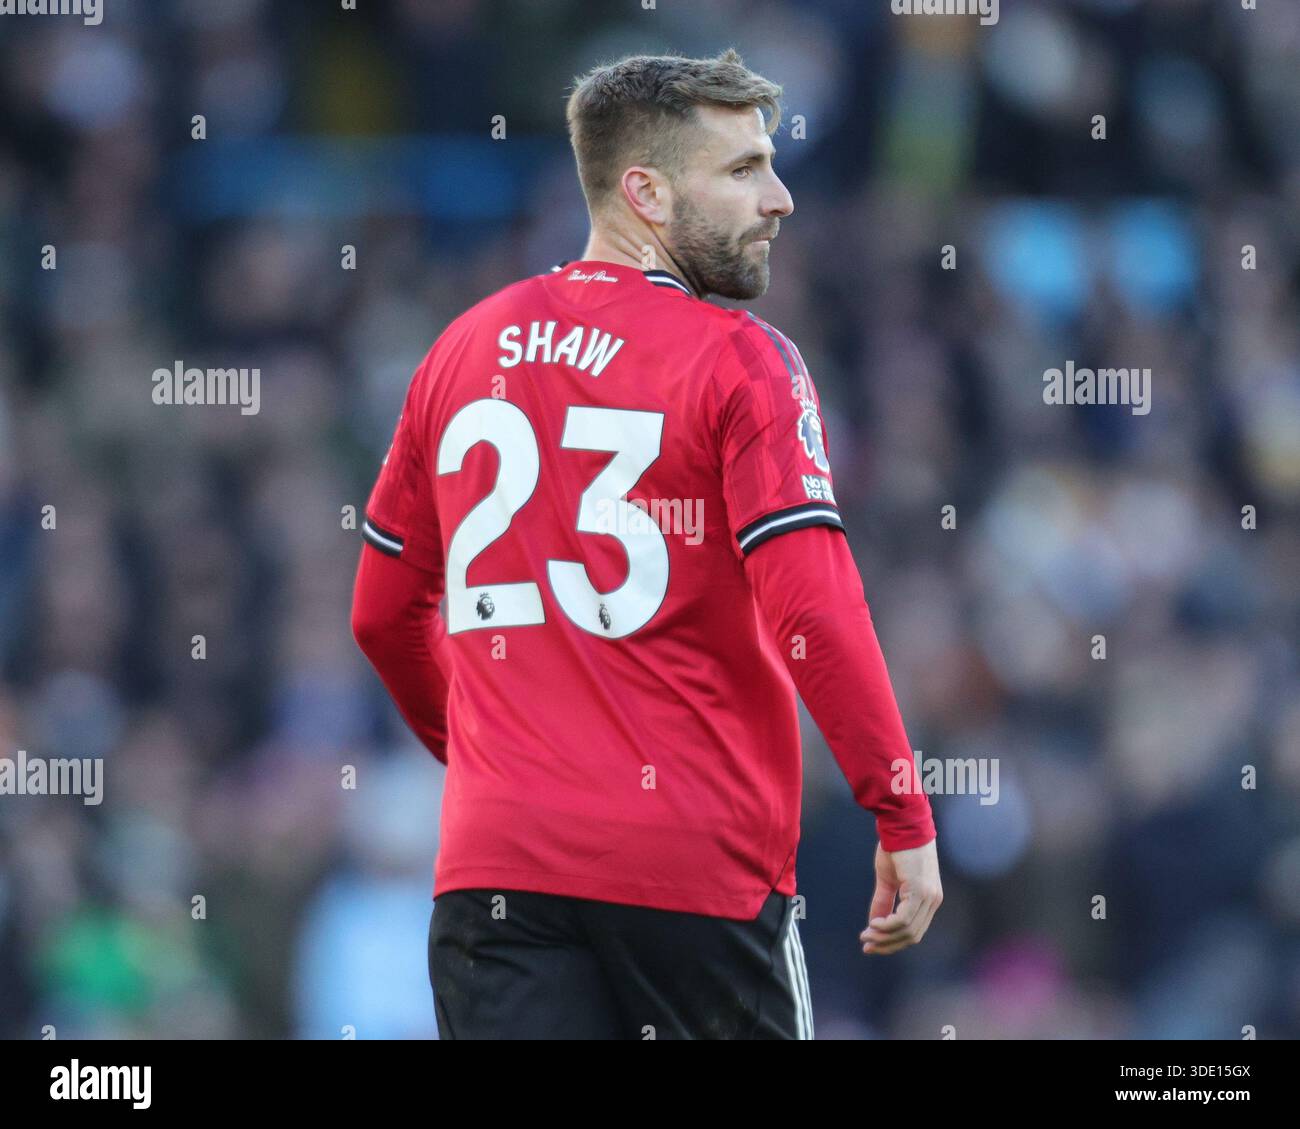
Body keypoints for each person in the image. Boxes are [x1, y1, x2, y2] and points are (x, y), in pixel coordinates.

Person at [350, 48, 942, 1040]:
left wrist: (501, 762)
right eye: (744, 169)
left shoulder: (459, 351)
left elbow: (379, 616)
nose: (780, 198)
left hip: (497, 875)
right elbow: (813, 609)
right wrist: (902, 812)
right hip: (694, 867)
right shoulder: (741, 361)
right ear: (646, 192)